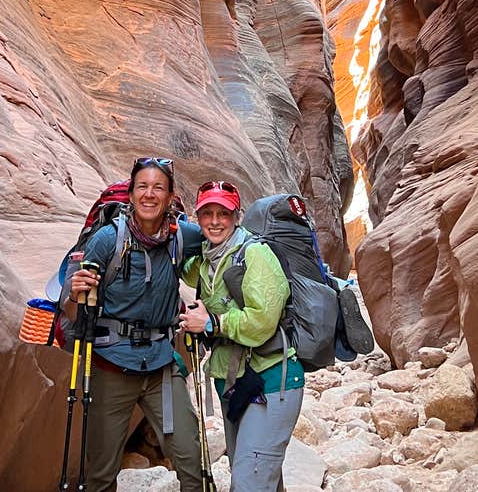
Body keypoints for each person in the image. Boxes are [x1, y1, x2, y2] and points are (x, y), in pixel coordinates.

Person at [62, 156, 204, 492]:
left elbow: (220, 238)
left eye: (159, 187)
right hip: (111, 366)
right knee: (100, 474)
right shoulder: (106, 240)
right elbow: (75, 307)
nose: (150, 194)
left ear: (171, 197)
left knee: (191, 459)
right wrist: (76, 293)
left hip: (161, 366)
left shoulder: (182, 237)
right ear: (131, 193)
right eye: (143, 186)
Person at [178, 180, 304, 492]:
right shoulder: (206, 260)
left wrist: (212, 324)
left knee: (249, 484)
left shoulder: (255, 254)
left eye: (224, 213)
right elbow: (182, 268)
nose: (215, 221)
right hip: (234, 382)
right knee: (260, 481)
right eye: (207, 213)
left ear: (238, 216)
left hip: (271, 380)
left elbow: (262, 320)